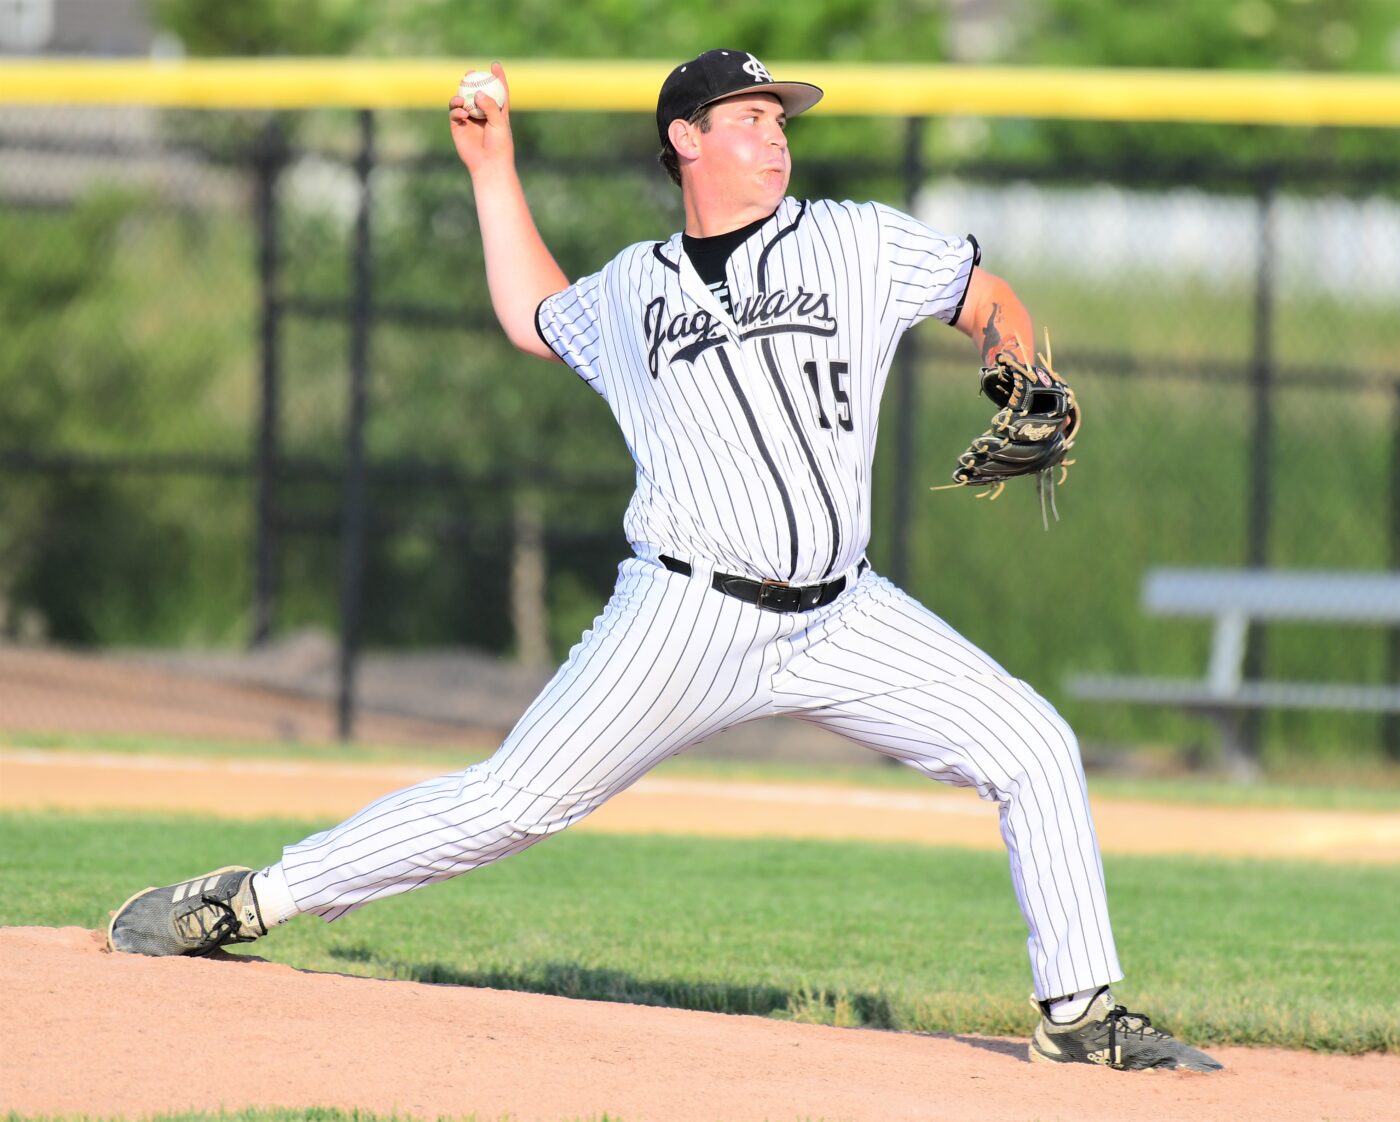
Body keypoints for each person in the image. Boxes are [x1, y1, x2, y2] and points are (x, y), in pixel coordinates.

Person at [109, 49, 1220, 1073]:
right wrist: (492, 167)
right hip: (684, 615)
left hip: (844, 612)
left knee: (1031, 742)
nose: (777, 134)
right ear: (686, 139)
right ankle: (255, 899)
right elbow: (534, 315)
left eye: (780, 119)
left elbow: (988, 299)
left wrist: (1016, 363)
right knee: (512, 803)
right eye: (749, 117)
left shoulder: (856, 240)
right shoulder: (633, 290)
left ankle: (1076, 1014)